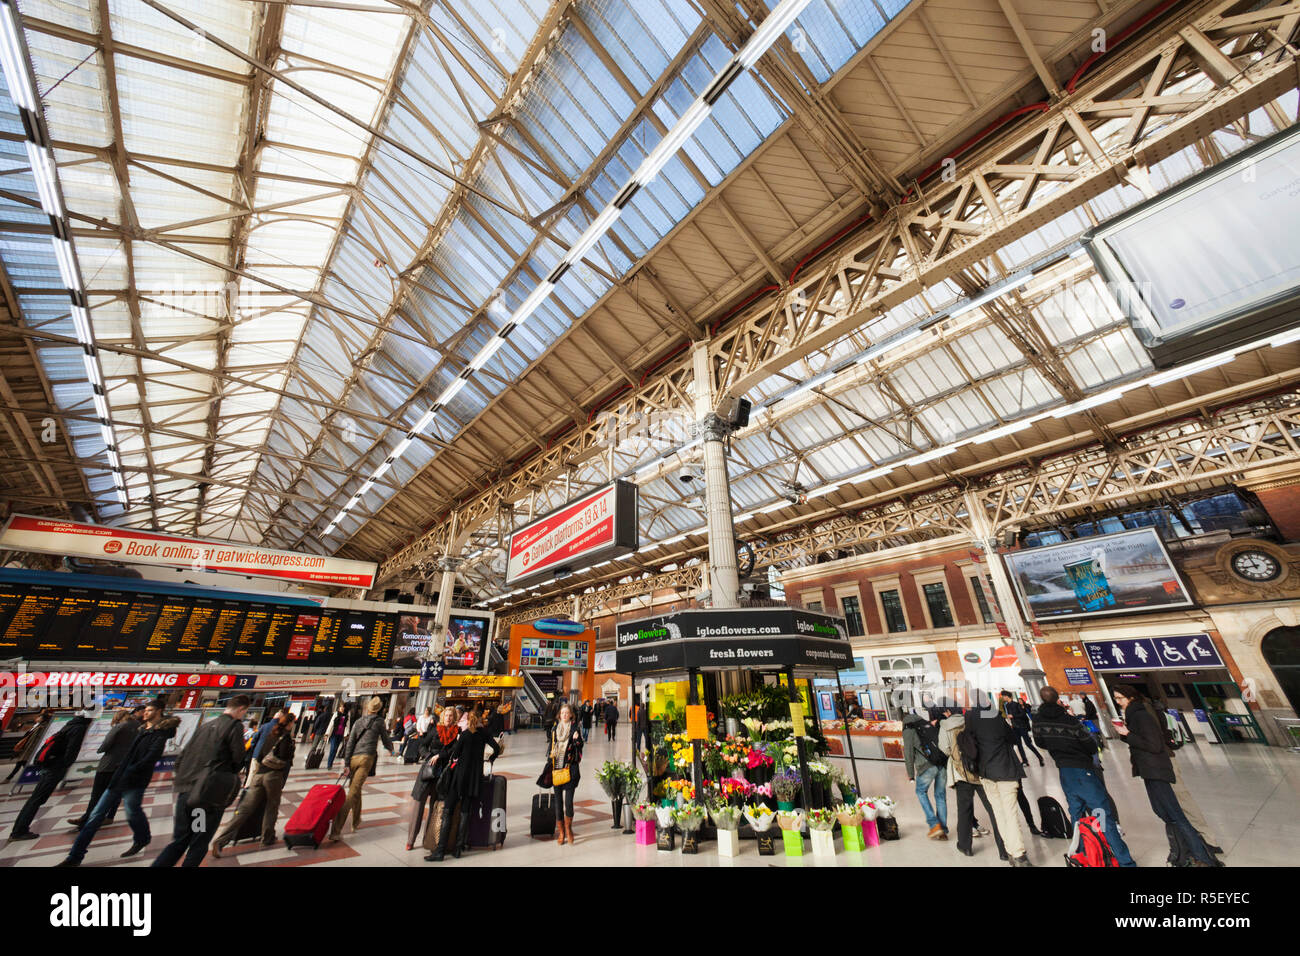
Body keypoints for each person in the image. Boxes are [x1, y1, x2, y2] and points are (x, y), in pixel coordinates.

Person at [57, 700, 179, 866]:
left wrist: (130, 770)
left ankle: (142, 838)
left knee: (133, 812)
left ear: (159, 711)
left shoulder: (160, 733)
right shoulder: (142, 729)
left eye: (149, 710)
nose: (145, 713)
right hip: (119, 777)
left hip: (135, 780)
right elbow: (130, 753)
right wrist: (120, 770)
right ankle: (74, 857)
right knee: (95, 816)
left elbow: (151, 757)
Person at [1111, 684, 1216, 866]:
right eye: (1116, 699)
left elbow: (1154, 744)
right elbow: (1140, 739)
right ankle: (1184, 851)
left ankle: (1203, 857)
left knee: (1175, 814)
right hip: (1149, 771)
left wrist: (1128, 733)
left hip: (1157, 769)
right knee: (1163, 811)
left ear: (1132, 698)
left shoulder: (1141, 715)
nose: (1118, 702)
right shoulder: (1134, 715)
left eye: (1120, 698)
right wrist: (1125, 733)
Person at [1032, 685, 1134, 866]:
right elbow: (1090, 745)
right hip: (1083, 770)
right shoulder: (1069, 720)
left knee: (1076, 815)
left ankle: (1085, 856)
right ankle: (1124, 861)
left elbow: (1040, 741)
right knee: (1101, 814)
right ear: (1058, 699)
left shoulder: (1038, 720)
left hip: (1064, 771)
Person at [153, 695, 250, 867]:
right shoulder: (234, 726)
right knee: (198, 840)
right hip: (205, 797)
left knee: (180, 840)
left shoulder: (205, 726)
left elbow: (182, 757)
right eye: (245, 712)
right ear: (242, 709)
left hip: (186, 793)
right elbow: (238, 759)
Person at [211, 711, 296, 856]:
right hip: (273, 776)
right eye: (293, 722)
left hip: (259, 774)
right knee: (271, 807)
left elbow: (260, 752)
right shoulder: (286, 738)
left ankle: (221, 839)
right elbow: (284, 759)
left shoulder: (271, 733)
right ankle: (267, 837)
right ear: (289, 724)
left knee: (245, 808)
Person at [965, 692, 1030, 866]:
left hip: (985, 773)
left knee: (999, 813)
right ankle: (1019, 856)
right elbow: (1013, 738)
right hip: (1004, 770)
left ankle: (1010, 851)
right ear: (986, 701)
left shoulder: (971, 720)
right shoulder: (995, 717)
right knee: (1010, 813)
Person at [426, 709, 500, 861]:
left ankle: (440, 850)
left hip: (459, 777)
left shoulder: (465, 735)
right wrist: (490, 759)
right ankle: (458, 848)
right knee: (465, 812)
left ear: (468, 721)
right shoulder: (484, 734)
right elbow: (497, 747)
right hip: (474, 779)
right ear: (479, 720)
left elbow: (455, 754)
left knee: (448, 810)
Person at [937, 705, 1009, 861]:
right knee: (994, 809)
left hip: (962, 773)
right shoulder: (972, 721)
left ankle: (965, 846)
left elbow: (944, 748)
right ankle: (1004, 849)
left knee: (964, 810)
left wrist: (956, 758)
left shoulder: (945, 726)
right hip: (981, 771)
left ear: (948, 712)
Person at [9, 709, 93, 841]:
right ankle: (19, 831)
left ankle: (19, 829)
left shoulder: (70, 724)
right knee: (37, 799)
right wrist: (65, 765)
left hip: (49, 764)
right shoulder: (79, 728)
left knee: (35, 799)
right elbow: (72, 751)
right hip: (56, 767)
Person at [328, 697, 395, 841]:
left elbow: (350, 742)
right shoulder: (379, 722)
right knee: (352, 794)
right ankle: (335, 830)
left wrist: (346, 763)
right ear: (379, 710)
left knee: (355, 789)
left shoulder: (358, 722)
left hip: (353, 759)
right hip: (366, 760)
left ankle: (356, 820)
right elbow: (385, 738)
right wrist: (391, 749)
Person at [68, 706, 142, 829]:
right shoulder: (138, 726)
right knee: (114, 792)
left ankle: (87, 818)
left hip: (109, 763)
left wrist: (99, 750)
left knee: (97, 793)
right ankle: (107, 816)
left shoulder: (119, 727)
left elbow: (105, 745)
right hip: (123, 764)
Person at [409, 706, 458, 850]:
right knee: (418, 806)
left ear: (454, 717)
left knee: (434, 808)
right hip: (428, 771)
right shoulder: (436, 730)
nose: (448, 718)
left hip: (442, 773)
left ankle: (427, 839)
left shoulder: (456, 733)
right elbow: (422, 745)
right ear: (443, 717)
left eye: (451, 715)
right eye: (446, 715)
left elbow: (453, 751)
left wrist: (440, 756)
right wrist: (428, 757)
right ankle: (411, 840)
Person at [540, 702, 583, 846]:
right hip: (556, 769)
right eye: (562, 713)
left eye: (567, 713)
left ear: (571, 715)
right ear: (559, 715)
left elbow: (580, 748)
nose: (564, 715)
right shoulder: (554, 730)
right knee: (558, 802)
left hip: (569, 769)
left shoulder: (575, 729)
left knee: (568, 803)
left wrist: (577, 740)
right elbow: (550, 747)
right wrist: (549, 758)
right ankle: (561, 832)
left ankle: (569, 828)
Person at [902, 708, 947, 840]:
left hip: (927, 765)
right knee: (940, 796)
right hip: (941, 763)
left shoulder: (908, 729)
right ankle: (943, 830)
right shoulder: (926, 723)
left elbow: (908, 753)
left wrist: (910, 774)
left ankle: (934, 825)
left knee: (920, 792)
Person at [4, 708, 52, 782]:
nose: (37, 718)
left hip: (30, 748)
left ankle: (9, 778)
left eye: (39, 717)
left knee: (20, 762)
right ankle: (35, 776)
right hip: (27, 747)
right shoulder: (37, 725)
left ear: (43, 719)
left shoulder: (42, 727)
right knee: (23, 763)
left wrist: (31, 748)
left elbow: (37, 739)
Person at [1001, 690, 1044, 768]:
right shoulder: (1006, 706)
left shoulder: (1017, 704)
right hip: (1014, 728)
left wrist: (1013, 716)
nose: (1002, 698)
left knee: (1028, 744)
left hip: (1022, 727)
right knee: (1019, 745)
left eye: (1003, 696)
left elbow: (1023, 714)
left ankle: (1040, 757)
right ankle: (1025, 761)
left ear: (1007, 696)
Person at [325, 703, 348, 770]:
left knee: (335, 749)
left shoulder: (346, 715)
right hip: (334, 734)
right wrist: (327, 734)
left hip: (340, 735)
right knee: (333, 749)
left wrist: (346, 734)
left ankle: (331, 763)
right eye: (340, 707)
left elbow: (347, 725)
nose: (341, 708)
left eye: (343, 707)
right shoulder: (336, 714)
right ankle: (329, 764)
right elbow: (331, 724)